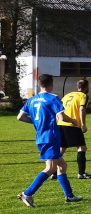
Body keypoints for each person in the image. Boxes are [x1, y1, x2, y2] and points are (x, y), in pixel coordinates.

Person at [17, 74, 83, 206]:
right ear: (51, 84)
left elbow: (20, 117)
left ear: (39, 84)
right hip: (51, 137)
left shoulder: (32, 100)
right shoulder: (53, 98)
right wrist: (74, 121)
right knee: (51, 168)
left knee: (62, 166)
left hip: (41, 137)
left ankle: (69, 196)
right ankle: (27, 193)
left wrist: (37, 123)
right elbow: (61, 117)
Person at [58, 77, 91, 179]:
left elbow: (59, 109)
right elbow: (82, 109)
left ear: (77, 86)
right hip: (73, 124)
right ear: (86, 87)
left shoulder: (67, 95)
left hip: (61, 123)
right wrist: (83, 124)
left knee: (62, 148)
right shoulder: (83, 95)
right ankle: (81, 173)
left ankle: (53, 172)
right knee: (81, 147)